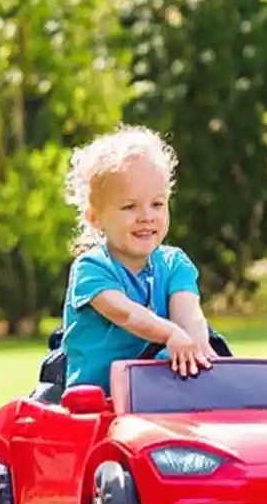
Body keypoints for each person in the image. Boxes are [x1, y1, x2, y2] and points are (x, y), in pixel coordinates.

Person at [60, 124, 215, 392]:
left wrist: (198, 345)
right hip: (100, 402)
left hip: (164, 391)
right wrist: (170, 334)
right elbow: (127, 315)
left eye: (157, 204)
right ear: (95, 218)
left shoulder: (175, 264)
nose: (147, 216)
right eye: (130, 206)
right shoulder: (92, 268)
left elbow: (189, 314)